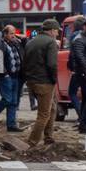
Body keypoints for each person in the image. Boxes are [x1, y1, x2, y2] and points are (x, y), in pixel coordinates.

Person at [23, 18, 61, 151]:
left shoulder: (31, 42)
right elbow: (52, 64)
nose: (57, 34)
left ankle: (49, 138)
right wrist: (54, 79)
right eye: (57, 31)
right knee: (44, 114)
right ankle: (31, 142)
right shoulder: (50, 42)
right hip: (45, 82)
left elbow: (25, 62)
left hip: (32, 81)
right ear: (51, 30)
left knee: (52, 108)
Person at [0, 26, 24, 132]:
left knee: (13, 102)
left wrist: (23, 38)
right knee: (7, 99)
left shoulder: (14, 42)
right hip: (6, 76)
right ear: (5, 34)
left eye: (14, 33)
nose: (13, 35)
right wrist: (4, 74)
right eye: (11, 33)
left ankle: (11, 125)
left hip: (16, 76)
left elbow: (22, 51)